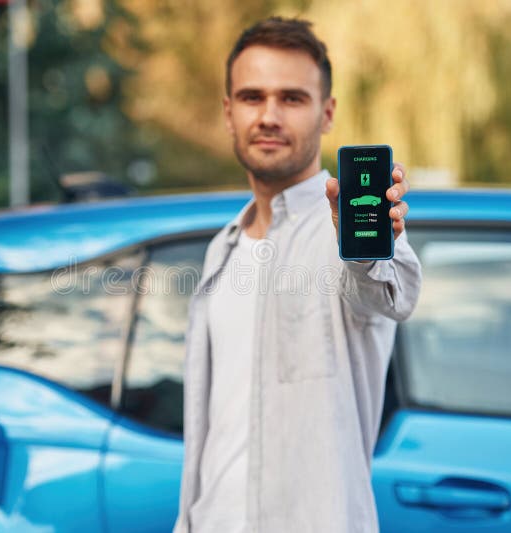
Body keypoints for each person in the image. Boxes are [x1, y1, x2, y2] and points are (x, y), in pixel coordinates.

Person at [173, 16, 423, 533]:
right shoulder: (222, 251)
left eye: (291, 98)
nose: (268, 116)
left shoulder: (342, 235)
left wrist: (371, 247)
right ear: (228, 112)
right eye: (251, 97)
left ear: (327, 112)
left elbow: (387, 292)